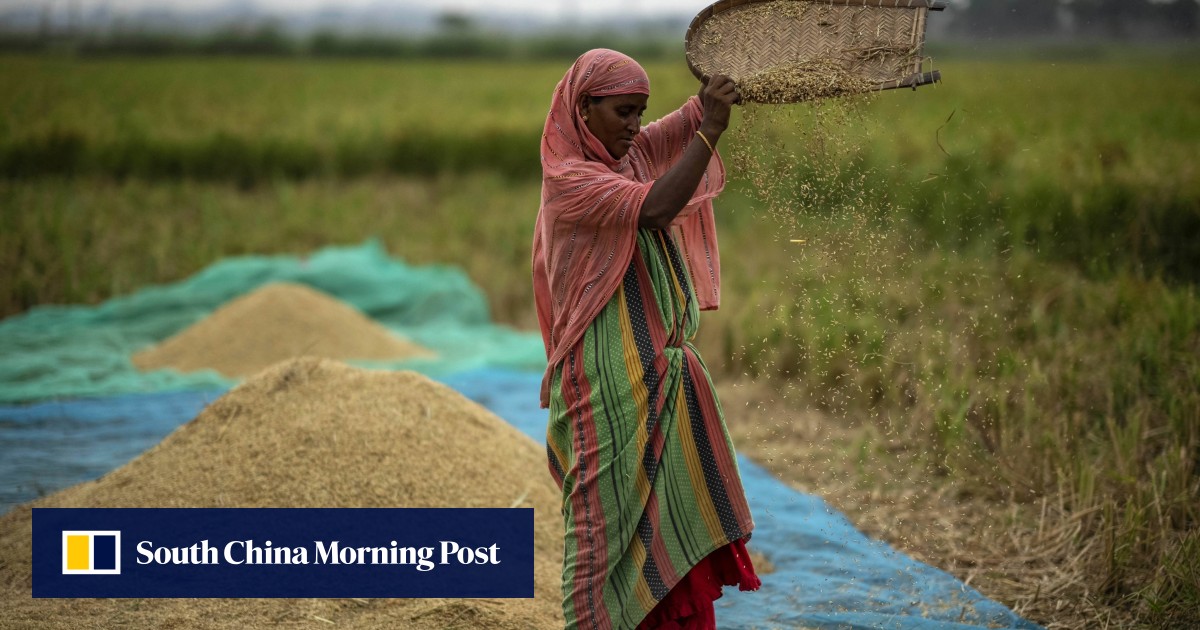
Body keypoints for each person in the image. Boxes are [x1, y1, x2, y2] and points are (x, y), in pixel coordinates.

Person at [532, 48, 759, 629]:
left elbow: (683, 124)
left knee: (663, 513)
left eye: (640, 113)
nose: (635, 127)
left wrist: (723, 95)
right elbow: (657, 209)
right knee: (600, 530)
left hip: (654, 371)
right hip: (605, 383)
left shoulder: (627, 156)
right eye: (622, 113)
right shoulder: (573, 180)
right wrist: (709, 130)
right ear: (584, 111)